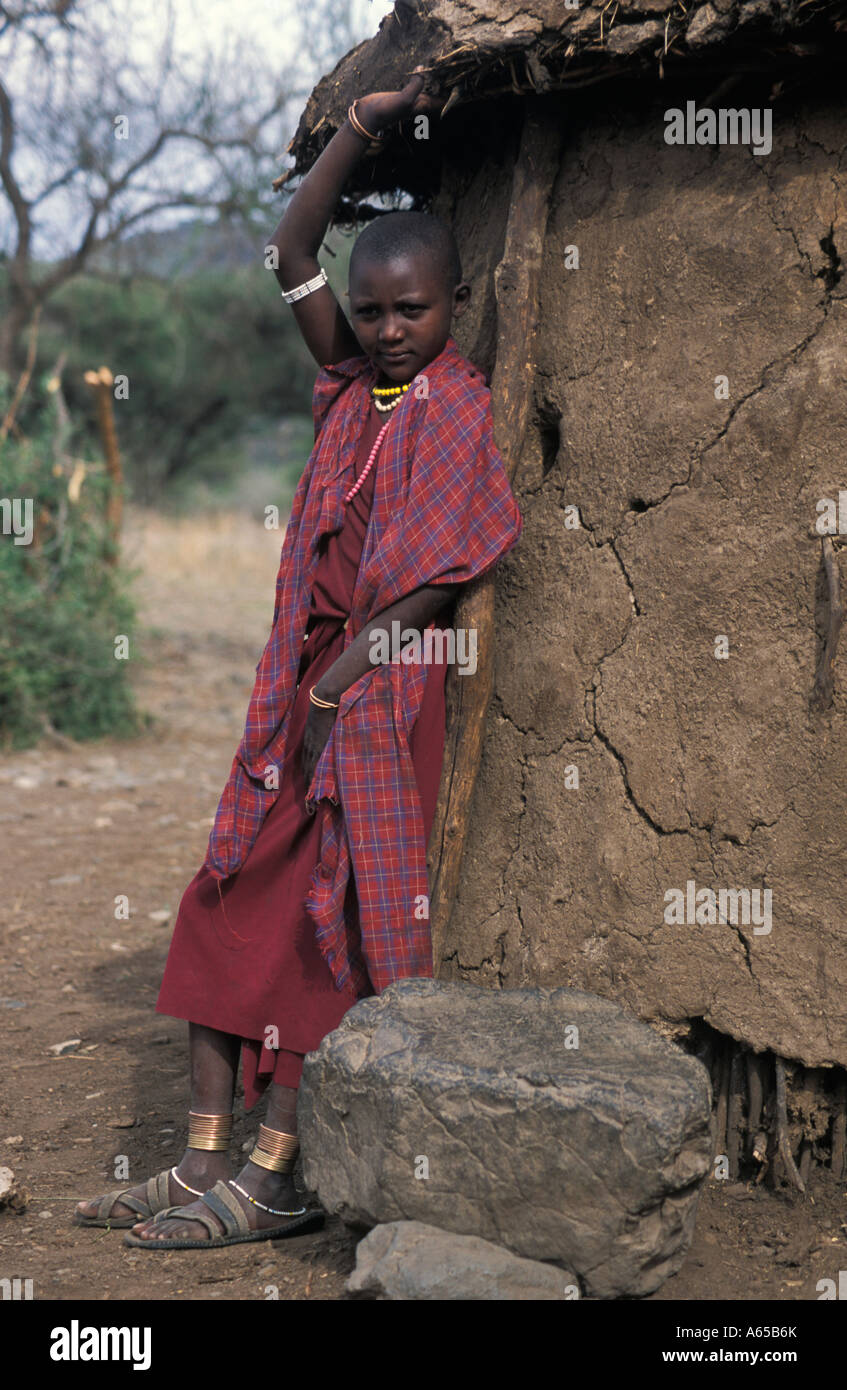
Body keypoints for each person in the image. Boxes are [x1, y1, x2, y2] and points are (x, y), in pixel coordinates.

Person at [74, 70, 522, 1250]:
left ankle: (278, 1178)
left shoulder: (452, 407)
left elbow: (449, 563)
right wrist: (362, 131)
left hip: (377, 690)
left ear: (452, 305)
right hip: (303, 686)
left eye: (410, 311)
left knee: (329, 920)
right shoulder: (349, 392)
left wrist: (344, 676)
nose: (385, 330)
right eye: (371, 312)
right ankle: (197, 1161)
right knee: (225, 899)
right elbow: (290, 250)